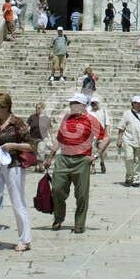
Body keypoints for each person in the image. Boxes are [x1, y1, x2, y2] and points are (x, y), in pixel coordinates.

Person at [42, 93, 110, 233]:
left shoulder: (92, 120)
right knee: (57, 189)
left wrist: (96, 156)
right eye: (70, 102)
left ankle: (79, 224)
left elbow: (106, 138)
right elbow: (59, 139)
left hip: (82, 160)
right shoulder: (66, 118)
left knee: (81, 194)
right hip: (63, 158)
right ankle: (59, 217)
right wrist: (50, 157)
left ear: (82, 105)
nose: (70, 105)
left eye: (73, 102)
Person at [0, 92, 36, 252]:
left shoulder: (17, 123)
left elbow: (32, 145)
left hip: (14, 165)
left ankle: (25, 239)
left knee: (17, 201)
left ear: (6, 108)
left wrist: (13, 146)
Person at [87, 92, 111, 174]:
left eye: (95, 103)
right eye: (92, 103)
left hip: (102, 134)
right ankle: (92, 167)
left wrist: (107, 135)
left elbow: (107, 124)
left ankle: (102, 162)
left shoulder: (103, 111)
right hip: (91, 134)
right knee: (92, 150)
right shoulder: (88, 111)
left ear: (98, 103)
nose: (93, 104)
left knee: (102, 150)